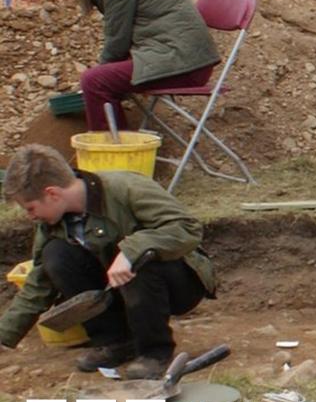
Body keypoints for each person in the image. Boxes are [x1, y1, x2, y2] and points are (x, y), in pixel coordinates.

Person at [0, 144, 216, 378]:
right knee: (56, 255)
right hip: (117, 289)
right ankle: (117, 342)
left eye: (30, 208)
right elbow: (39, 282)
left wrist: (130, 251)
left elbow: (187, 228)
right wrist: (4, 336)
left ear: (52, 193)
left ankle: (155, 352)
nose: (30, 216)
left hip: (177, 281)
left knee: (139, 261)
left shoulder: (125, 188)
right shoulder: (52, 223)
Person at [54, 0, 220, 131]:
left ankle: (112, 152)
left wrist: (96, 80)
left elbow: (116, 43)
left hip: (184, 65)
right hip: (191, 61)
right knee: (102, 78)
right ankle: (118, 144)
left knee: (94, 81)